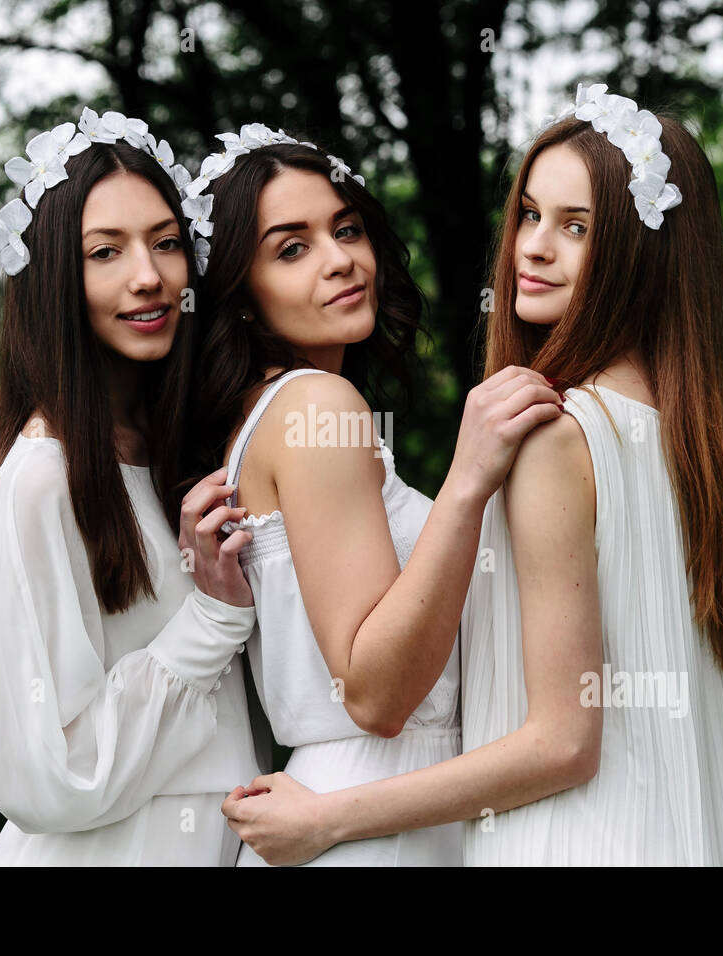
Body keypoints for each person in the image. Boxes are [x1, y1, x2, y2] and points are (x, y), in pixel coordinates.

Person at [222, 87, 723, 866]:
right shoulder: (708, 449)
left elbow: (562, 742)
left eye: (576, 227)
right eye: (528, 214)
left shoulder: (556, 436)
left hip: (571, 839)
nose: (531, 248)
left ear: (637, 251)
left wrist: (328, 817)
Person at [183, 125, 564, 865]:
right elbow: (376, 696)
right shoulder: (316, 407)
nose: (340, 261)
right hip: (365, 824)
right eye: (292, 249)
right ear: (241, 296)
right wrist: (468, 481)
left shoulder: (274, 414)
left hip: (374, 811)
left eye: (346, 228)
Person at [0, 109, 263, 866]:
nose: (148, 275)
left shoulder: (185, 450)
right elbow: (45, 774)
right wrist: (213, 621)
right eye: (106, 251)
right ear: (57, 279)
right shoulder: (42, 480)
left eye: (166, 242)